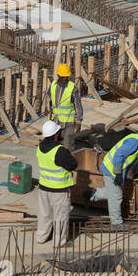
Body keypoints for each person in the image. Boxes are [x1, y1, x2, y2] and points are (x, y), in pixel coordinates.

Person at [91, 126, 138, 229]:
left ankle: (90, 194)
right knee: (116, 197)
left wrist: (136, 172)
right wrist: (118, 173)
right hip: (111, 169)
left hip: (113, 167)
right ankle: (116, 223)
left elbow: (132, 160)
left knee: (113, 192)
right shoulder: (134, 143)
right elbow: (119, 155)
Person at [36, 119, 77, 249]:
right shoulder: (60, 151)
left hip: (43, 188)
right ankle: (59, 242)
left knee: (44, 214)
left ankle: (41, 237)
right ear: (55, 135)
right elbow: (73, 165)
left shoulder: (40, 148)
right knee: (60, 217)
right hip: (59, 190)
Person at [49, 62, 83, 149]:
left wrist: (78, 122)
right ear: (58, 75)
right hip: (55, 121)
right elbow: (50, 100)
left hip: (68, 123)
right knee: (55, 146)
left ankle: (68, 162)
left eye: (66, 76)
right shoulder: (52, 85)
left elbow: (78, 106)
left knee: (68, 146)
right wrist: (49, 111)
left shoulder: (73, 88)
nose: (65, 78)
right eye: (63, 76)